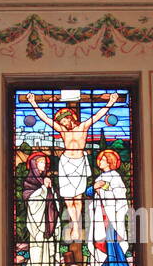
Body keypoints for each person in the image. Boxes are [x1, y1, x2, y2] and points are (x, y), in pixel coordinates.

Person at [23, 92, 119, 241]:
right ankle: (75, 226)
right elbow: (46, 119)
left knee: (78, 197)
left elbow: (98, 116)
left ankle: (77, 223)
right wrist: (33, 103)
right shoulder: (62, 131)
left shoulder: (84, 127)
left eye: (63, 121)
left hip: (80, 162)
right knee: (68, 198)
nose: (62, 124)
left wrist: (111, 102)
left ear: (69, 117)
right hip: (66, 163)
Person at [19, 152, 60, 266]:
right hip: (38, 222)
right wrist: (43, 188)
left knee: (49, 244)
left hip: (49, 219)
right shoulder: (30, 180)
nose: (44, 165)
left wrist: (50, 189)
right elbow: (30, 199)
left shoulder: (45, 179)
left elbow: (54, 199)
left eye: (44, 162)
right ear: (34, 165)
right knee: (38, 245)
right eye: (41, 162)